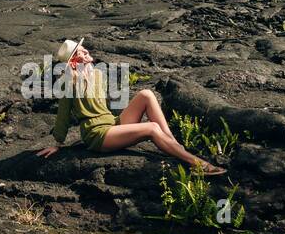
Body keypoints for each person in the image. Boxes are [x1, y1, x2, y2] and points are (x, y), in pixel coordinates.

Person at [35, 37, 224, 174]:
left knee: (146, 94)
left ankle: (174, 145)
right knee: (151, 128)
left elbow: (104, 108)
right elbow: (63, 115)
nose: (86, 51)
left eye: (84, 49)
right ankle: (197, 164)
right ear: (74, 61)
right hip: (97, 134)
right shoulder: (70, 83)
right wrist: (57, 144)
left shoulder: (98, 75)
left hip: (113, 124)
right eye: (81, 52)